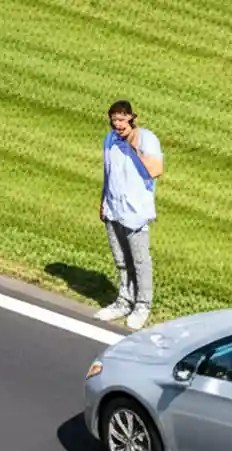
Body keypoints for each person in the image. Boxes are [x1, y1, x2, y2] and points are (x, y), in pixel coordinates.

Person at [95, 99, 163, 329]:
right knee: (121, 260)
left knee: (140, 261)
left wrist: (134, 146)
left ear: (133, 119)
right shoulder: (109, 140)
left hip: (136, 212)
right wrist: (103, 201)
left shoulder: (147, 139)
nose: (118, 125)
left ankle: (143, 304)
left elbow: (156, 171)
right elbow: (108, 172)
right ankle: (124, 300)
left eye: (123, 120)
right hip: (114, 208)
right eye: (115, 121)